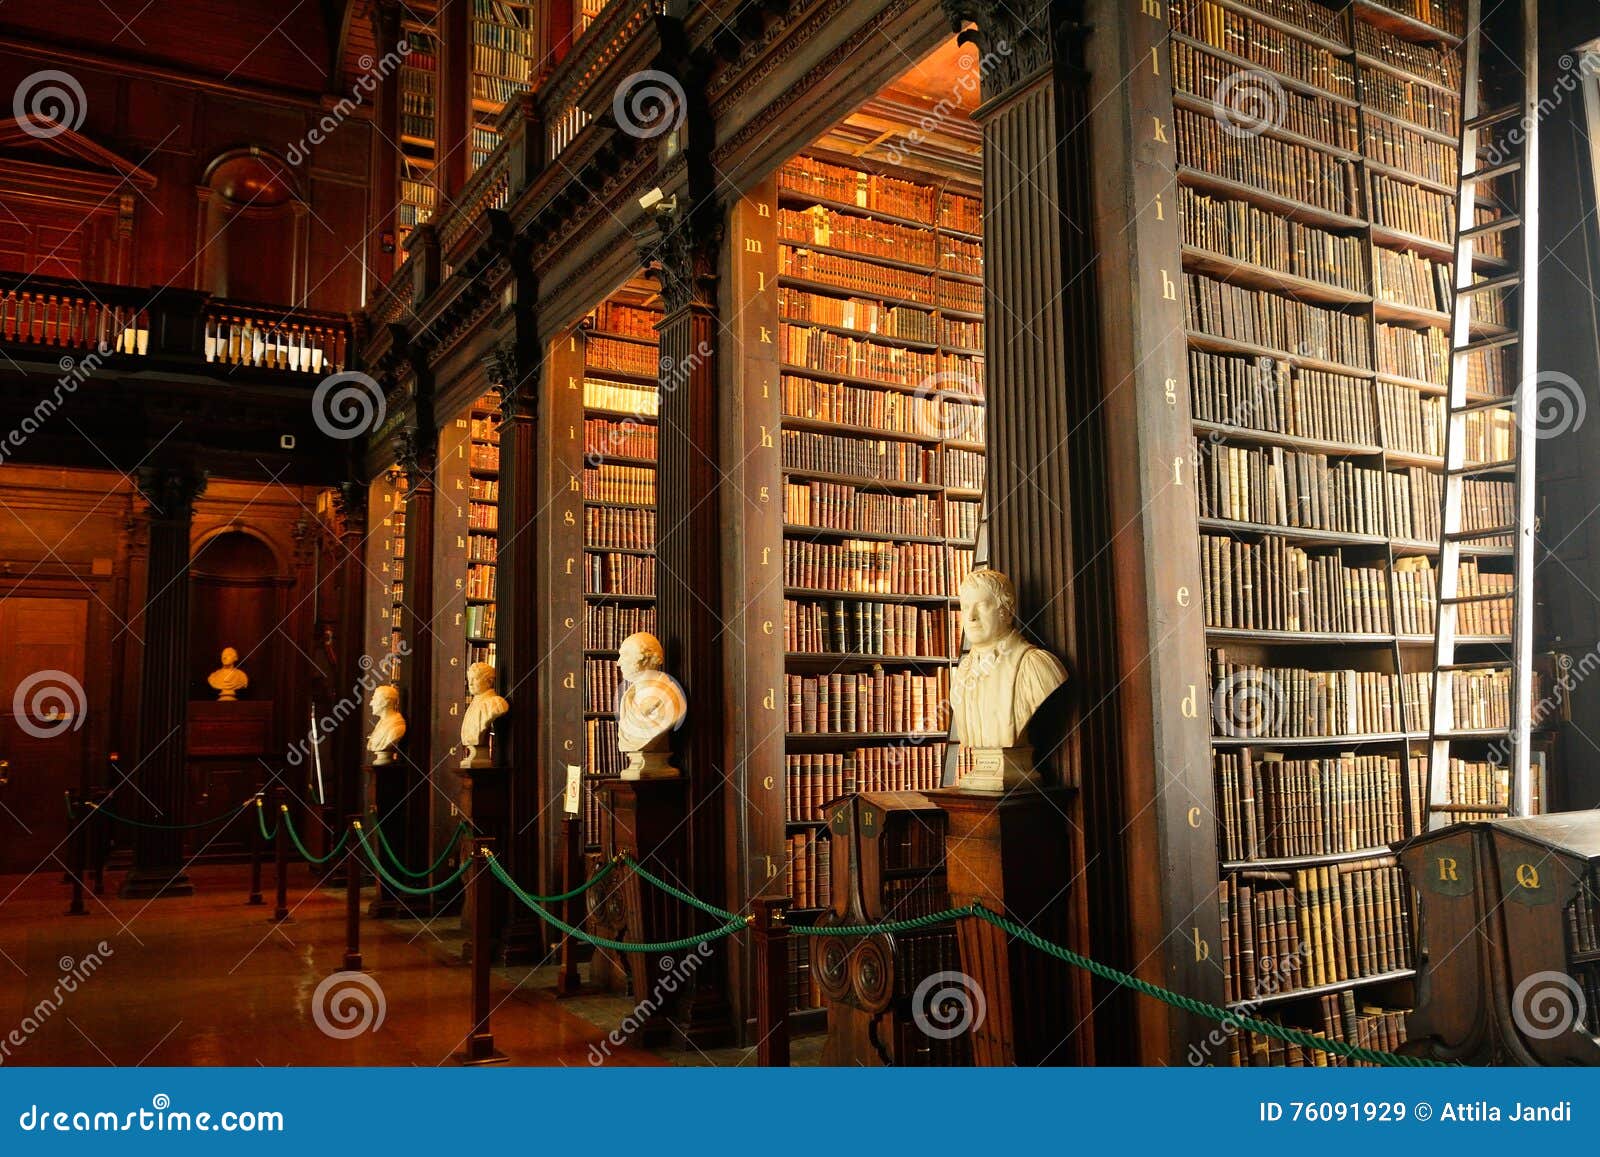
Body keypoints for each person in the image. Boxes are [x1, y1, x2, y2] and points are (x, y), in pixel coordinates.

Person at [949, 569, 1068, 787]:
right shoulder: (962, 675)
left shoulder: (1036, 666)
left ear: (1007, 611)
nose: (970, 616)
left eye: (982, 606)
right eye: (965, 607)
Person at [459, 662, 508, 768]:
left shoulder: (496, 704)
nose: (470, 683)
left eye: (475, 679)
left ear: (489, 681)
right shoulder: (472, 706)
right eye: (469, 679)